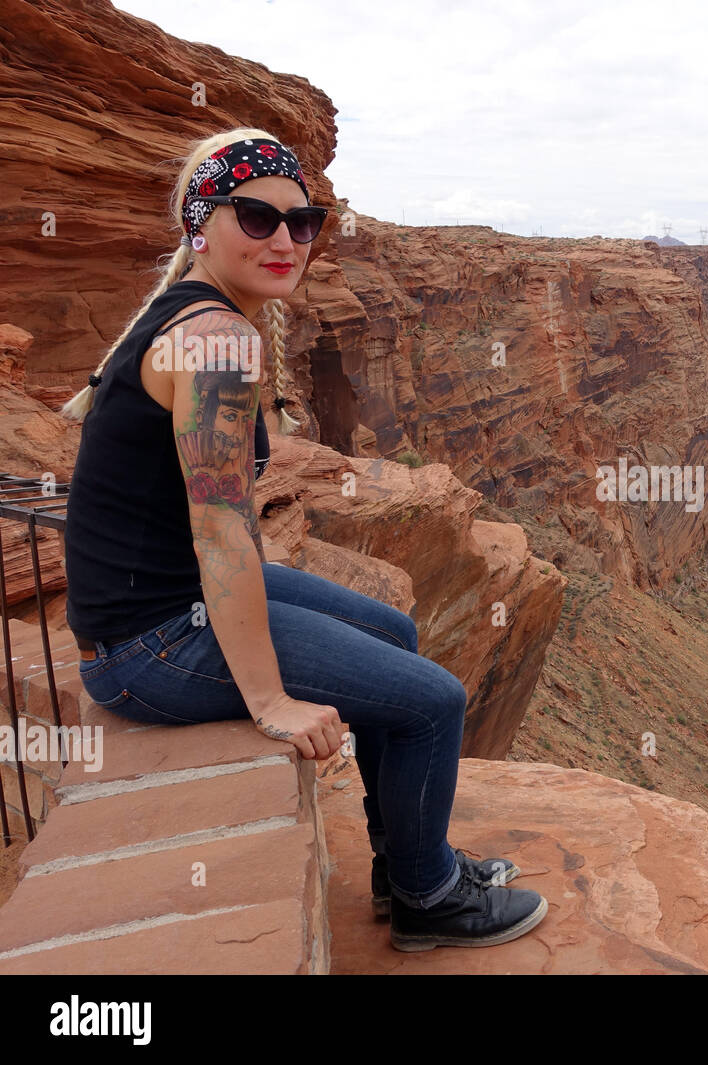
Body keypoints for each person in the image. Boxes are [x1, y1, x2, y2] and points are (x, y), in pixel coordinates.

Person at [59, 126, 547, 952]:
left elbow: (215, 528)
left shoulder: (200, 315)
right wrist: (270, 700)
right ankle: (430, 901)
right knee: (435, 701)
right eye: (256, 217)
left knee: (393, 630)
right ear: (200, 225)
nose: (286, 239)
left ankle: (406, 863)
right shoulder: (217, 340)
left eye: (303, 221)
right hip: (149, 641)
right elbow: (221, 534)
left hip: (157, 603)